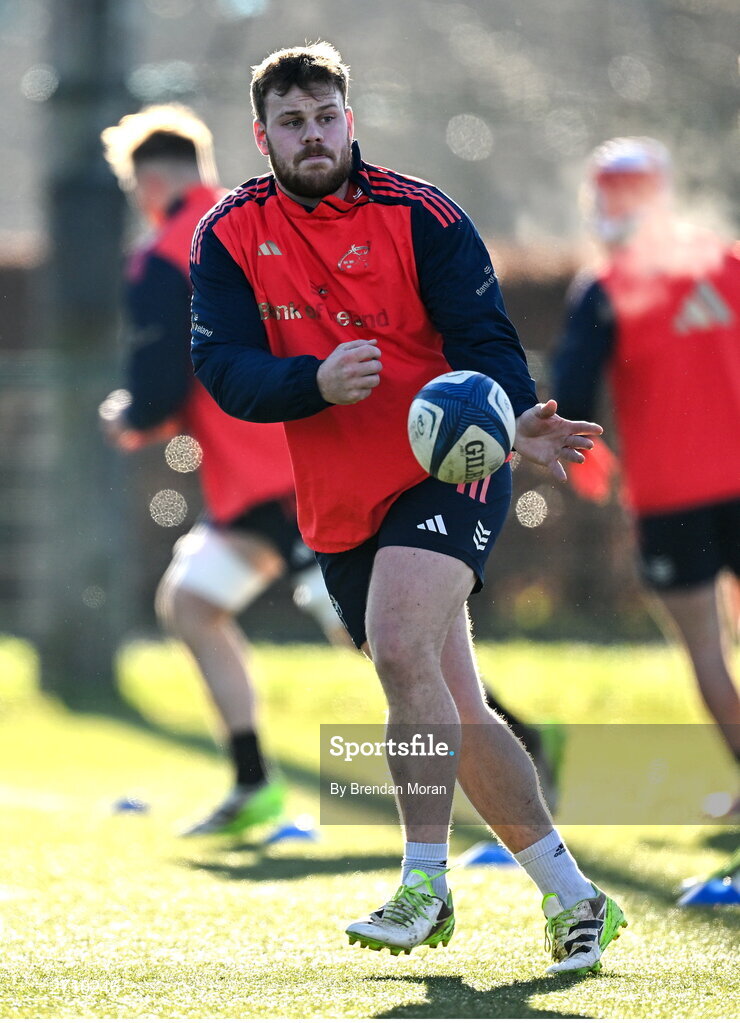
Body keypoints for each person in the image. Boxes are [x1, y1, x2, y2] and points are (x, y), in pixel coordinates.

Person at [189, 42, 626, 975]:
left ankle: (423, 883)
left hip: (453, 465)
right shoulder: (228, 233)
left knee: (397, 645)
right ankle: (574, 895)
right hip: (342, 501)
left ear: (352, 119)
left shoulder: (421, 214)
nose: (313, 135)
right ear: (261, 133)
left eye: (326, 117)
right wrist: (314, 379)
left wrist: (513, 423)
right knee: (457, 709)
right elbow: (222, 368)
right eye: (292, 122)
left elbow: (489, 343)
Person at [99, 104, 349, 836]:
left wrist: (133, 417)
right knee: (191, 603)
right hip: (301, 459)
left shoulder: (163, 252)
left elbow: (159, 381)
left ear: (147, 179)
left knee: (381, 634)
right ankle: (253, 784)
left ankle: (521, 747)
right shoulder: (267, 217)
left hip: (276, 474)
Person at [551, 137, 740, 818]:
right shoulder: (728, 261)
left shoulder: (604, 287)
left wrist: (581, 456)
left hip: (672, 497)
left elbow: (569, 394)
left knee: (707, 649)